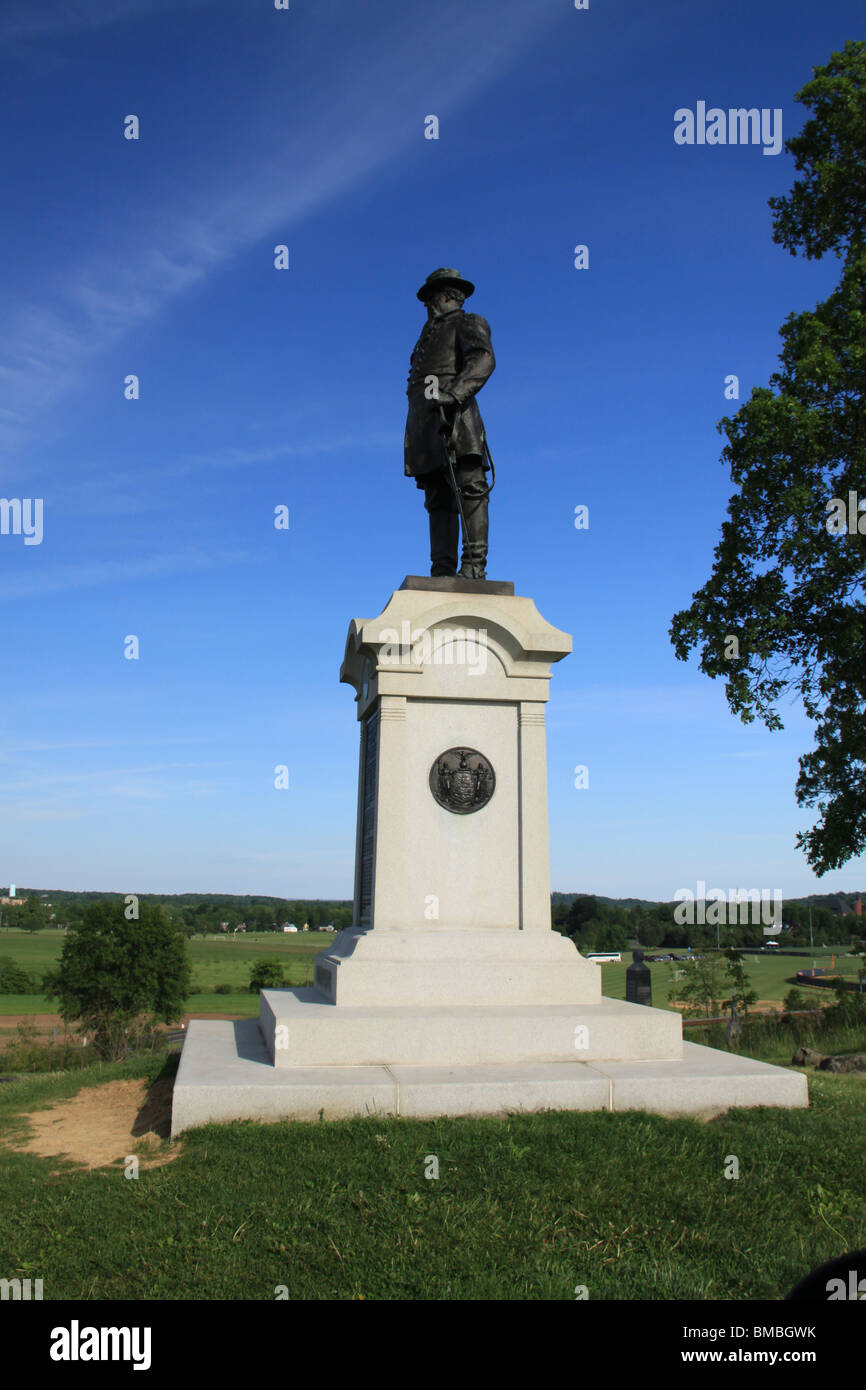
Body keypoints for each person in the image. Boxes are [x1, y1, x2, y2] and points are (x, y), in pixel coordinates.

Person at [404, 268, 495, 578]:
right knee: (438, 498)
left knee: (469, 488)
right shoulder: (426, 338)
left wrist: (454, 395)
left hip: (457, 420)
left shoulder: (468, 323)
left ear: (447, 297)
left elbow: (483, 358)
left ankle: (473, 566)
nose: (428, 306)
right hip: (427, 425)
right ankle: (442, 570)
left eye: (432, 299)